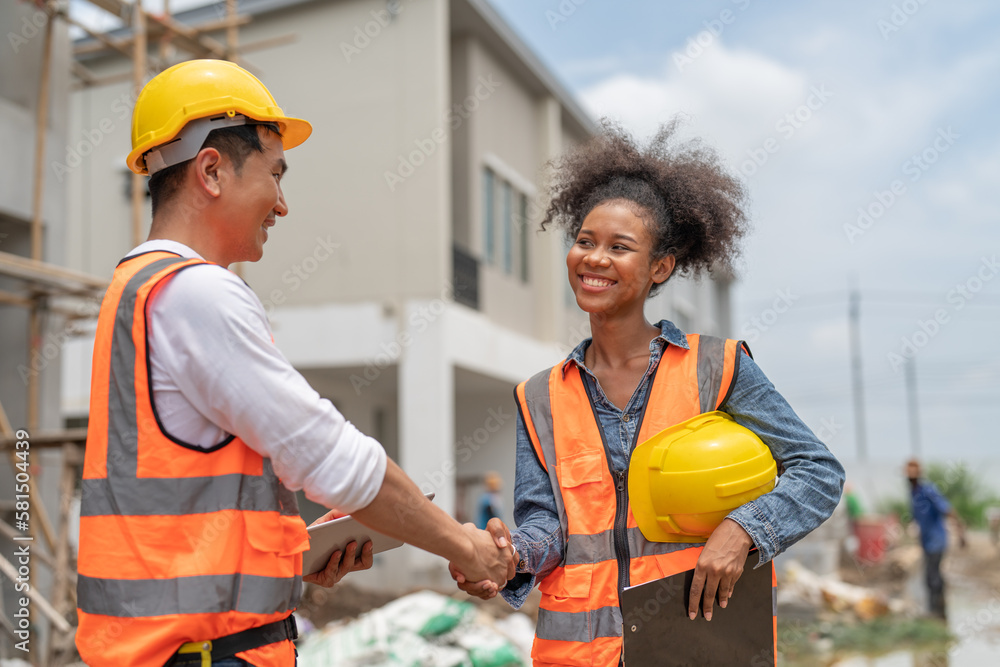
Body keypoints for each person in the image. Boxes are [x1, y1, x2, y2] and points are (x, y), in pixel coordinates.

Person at [75, 59, 512, 667]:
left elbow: (183, 517)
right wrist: (463, 545)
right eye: (275, 175)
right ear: (211, 170)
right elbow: (340, 463)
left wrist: (287, 556)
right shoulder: (197, 294)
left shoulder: (135, 292)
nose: (282, 205)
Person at [451, 120, 845, 666]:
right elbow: (550, 528)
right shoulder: (538, 397)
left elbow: (817, 471)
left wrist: (744, 530)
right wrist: (511, 555)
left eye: (620, 247)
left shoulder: (718, 368)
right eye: (585, 241)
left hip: (695, 648)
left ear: (660, 267)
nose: (594, 258)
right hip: (578, 655)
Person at [906, 458, 965, 619]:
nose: (909, 478)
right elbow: (916, 516)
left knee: (932, 575)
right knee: (932, 575)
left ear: (918, 475)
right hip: (926, 542)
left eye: (912, 475)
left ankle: (936, 611)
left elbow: (946, 509)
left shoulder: (928, 490)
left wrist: (960, 531)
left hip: (937, 540)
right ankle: (938, 609)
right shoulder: (913, 492)